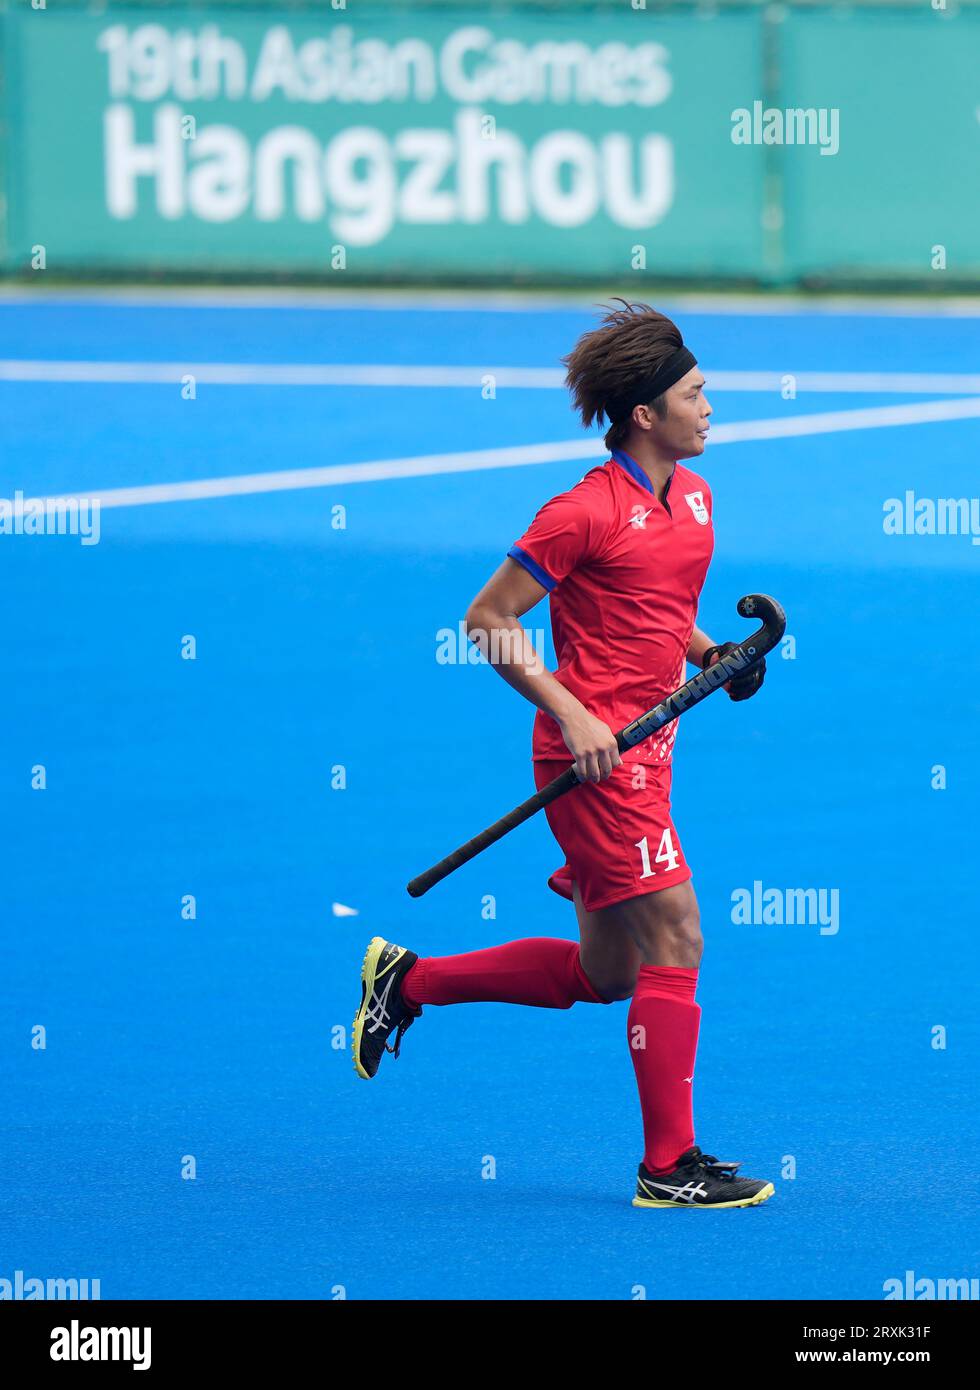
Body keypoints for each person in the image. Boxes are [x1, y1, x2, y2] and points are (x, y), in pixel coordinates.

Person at [352, 302, 773, 1209]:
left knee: (609, 975)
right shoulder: (581, 511)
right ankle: (668, 1168)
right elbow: (488, 622)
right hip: (595, 766)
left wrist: (709, 656)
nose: (712, 407)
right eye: (696, 394)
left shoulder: (695, 499)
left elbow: (656, 613)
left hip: (651, 751)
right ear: (645, 416)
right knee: (679, 936)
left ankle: (408, 980)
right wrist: (575, 715)